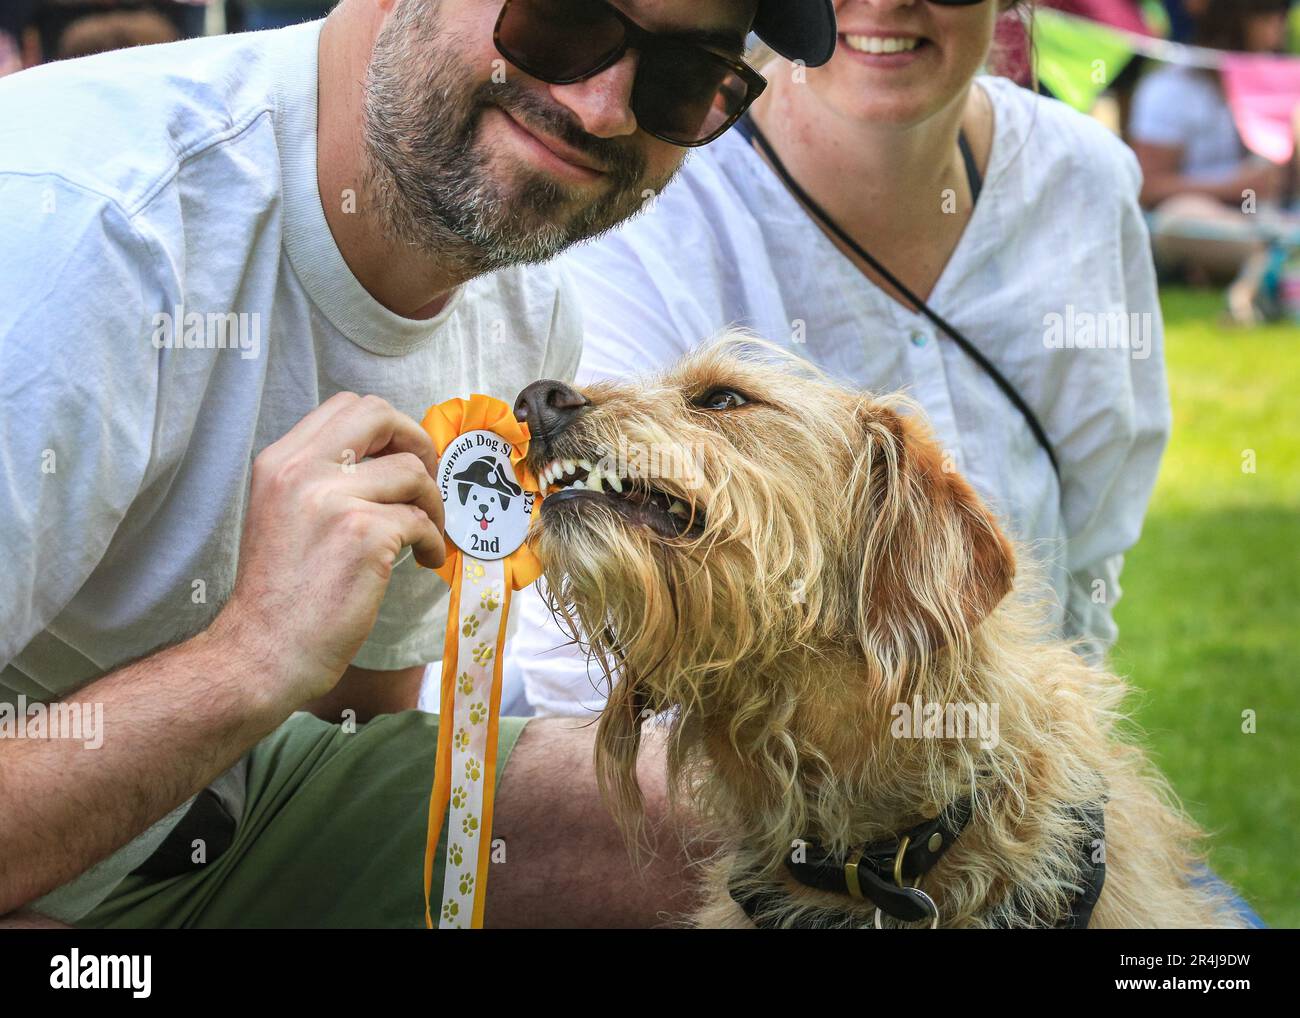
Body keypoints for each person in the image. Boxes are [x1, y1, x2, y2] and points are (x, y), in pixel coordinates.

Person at [0, 0, 839, 928]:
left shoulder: (528, 308)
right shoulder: (79, 230)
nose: (604, 108)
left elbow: (354, 727)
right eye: (564, 20)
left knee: (787, 842)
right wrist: (247, 657)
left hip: (231, 820)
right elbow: (279, 676)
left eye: (684, 78)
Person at [510, 0, 1171, 716]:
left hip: (1001, 770)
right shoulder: (649, 198)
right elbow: (581, 659)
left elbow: (1085, 570)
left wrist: (1051, 792)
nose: (884, 2)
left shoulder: (1084, 182)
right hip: (718, 793)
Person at [1130, 0, 1297, 303]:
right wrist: (1233, 186)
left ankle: (1264, 267)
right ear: (1234, 21)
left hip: (1269, 216)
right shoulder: (1170, 90)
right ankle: (1272, 264)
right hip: (1202, 218)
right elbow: (1148, 189)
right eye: (1268, 18)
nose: (1277, 33)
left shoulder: (1280, 87)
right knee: (1179, 218)